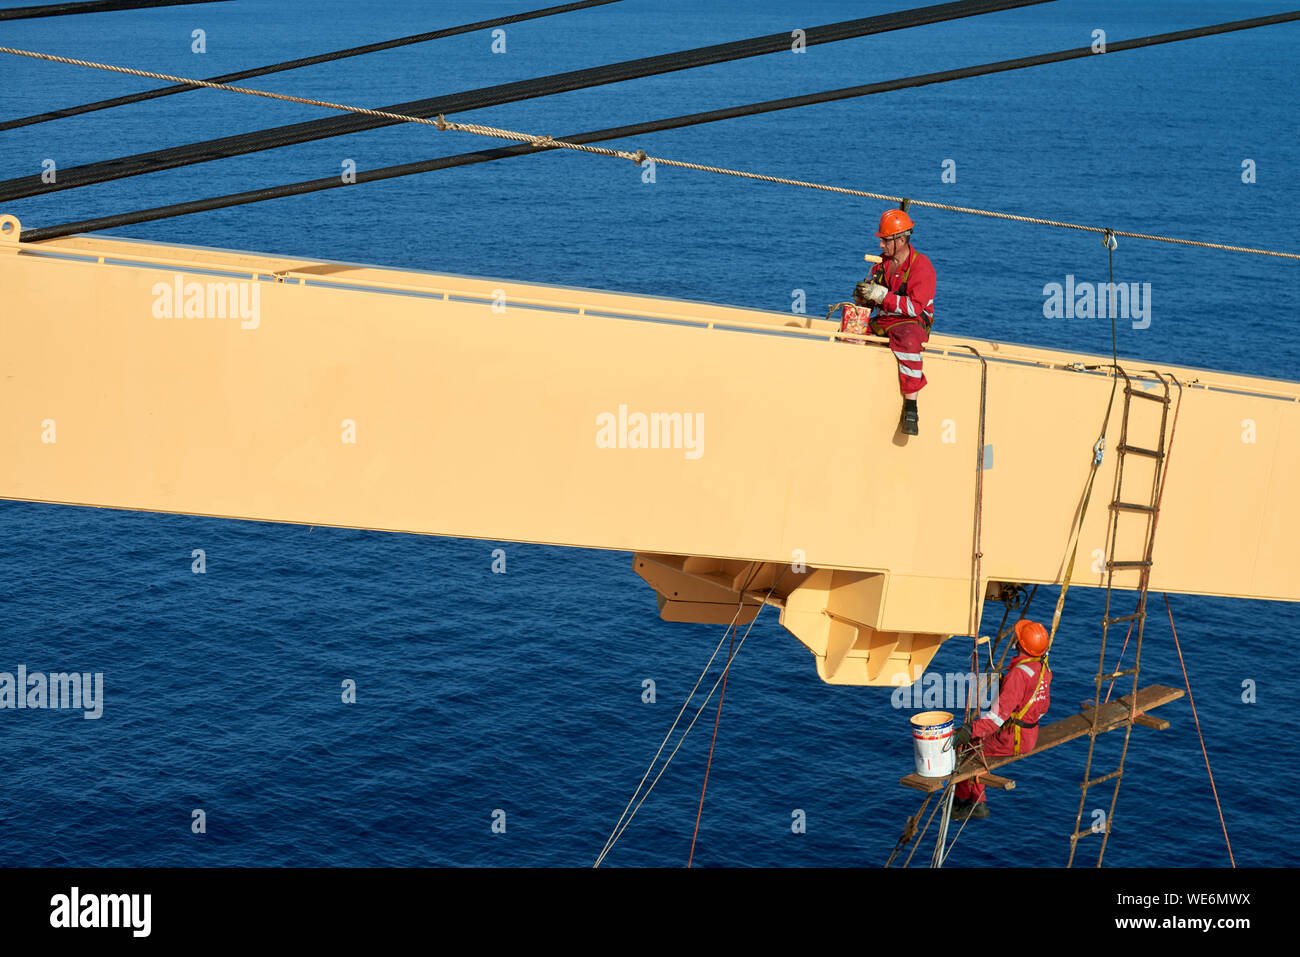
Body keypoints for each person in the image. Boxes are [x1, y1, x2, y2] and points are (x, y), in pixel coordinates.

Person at [950, 618, 1052, 820]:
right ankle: (971, 802)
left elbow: (995, 720)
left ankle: (969, 803)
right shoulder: (1044, 670)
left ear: (1021, 645)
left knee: (967, 749)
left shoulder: (1018, 675)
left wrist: (969, 730)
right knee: (976, 744)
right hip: (1029, 734)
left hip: (1013, 739)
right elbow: (1042, 709)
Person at [853, 209, 936, 436]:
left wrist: (881, 296)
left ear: (901, 240)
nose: (881, 245)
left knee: (908, 341)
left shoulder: (922, 267)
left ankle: (911, 406)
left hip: (912, 323)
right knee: (852, 331)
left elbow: (914, 308)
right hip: (886, 320)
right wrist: (861, 297)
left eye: (885, 240)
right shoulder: (880, 267)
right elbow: (869, 303)